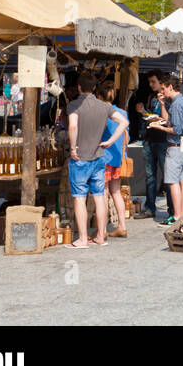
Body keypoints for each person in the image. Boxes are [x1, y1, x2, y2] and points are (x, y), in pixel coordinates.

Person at [66, 72, 128, 248]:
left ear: (79, 87)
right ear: (94, 88)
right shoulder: (104, 107)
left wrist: (72, 147)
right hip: (99, 156)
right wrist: (110, 140)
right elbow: (123, 123)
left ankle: (83, 239)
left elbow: (72, 125)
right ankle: (101, 236)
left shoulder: (74, 105)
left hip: (80, 157)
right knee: (99, 197)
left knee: (79, 198)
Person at [152, 73, 183, 226]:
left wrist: (159, 127)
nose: (162, 92)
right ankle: (181, 214)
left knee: (173, 182)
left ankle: (176, 215)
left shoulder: (176, 104)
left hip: (175, 146)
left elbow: (175, 128)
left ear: (170, 86)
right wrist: (162, 105)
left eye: (163, 89)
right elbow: (171, 121)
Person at [134, 73, 172, 220]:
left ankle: (172, 209)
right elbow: (150, 118)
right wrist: (143, 112)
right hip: (149, 140)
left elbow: (165, 120)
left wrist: (152, 116)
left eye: (153, 81)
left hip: (163, 141)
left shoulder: (168, 99)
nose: (151, 84)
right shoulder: (151, 97)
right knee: (150, 177)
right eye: (149, 82)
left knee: (167, 177)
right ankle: (150, 207)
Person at [95, 84, 130, 239]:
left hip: (104, 156)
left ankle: (102, 230)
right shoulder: (122, 112)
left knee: (103, 192)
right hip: (117, 158)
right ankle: (122, 226)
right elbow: (127, 136)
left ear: (100, 97)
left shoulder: (101, 113)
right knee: (116, 191)